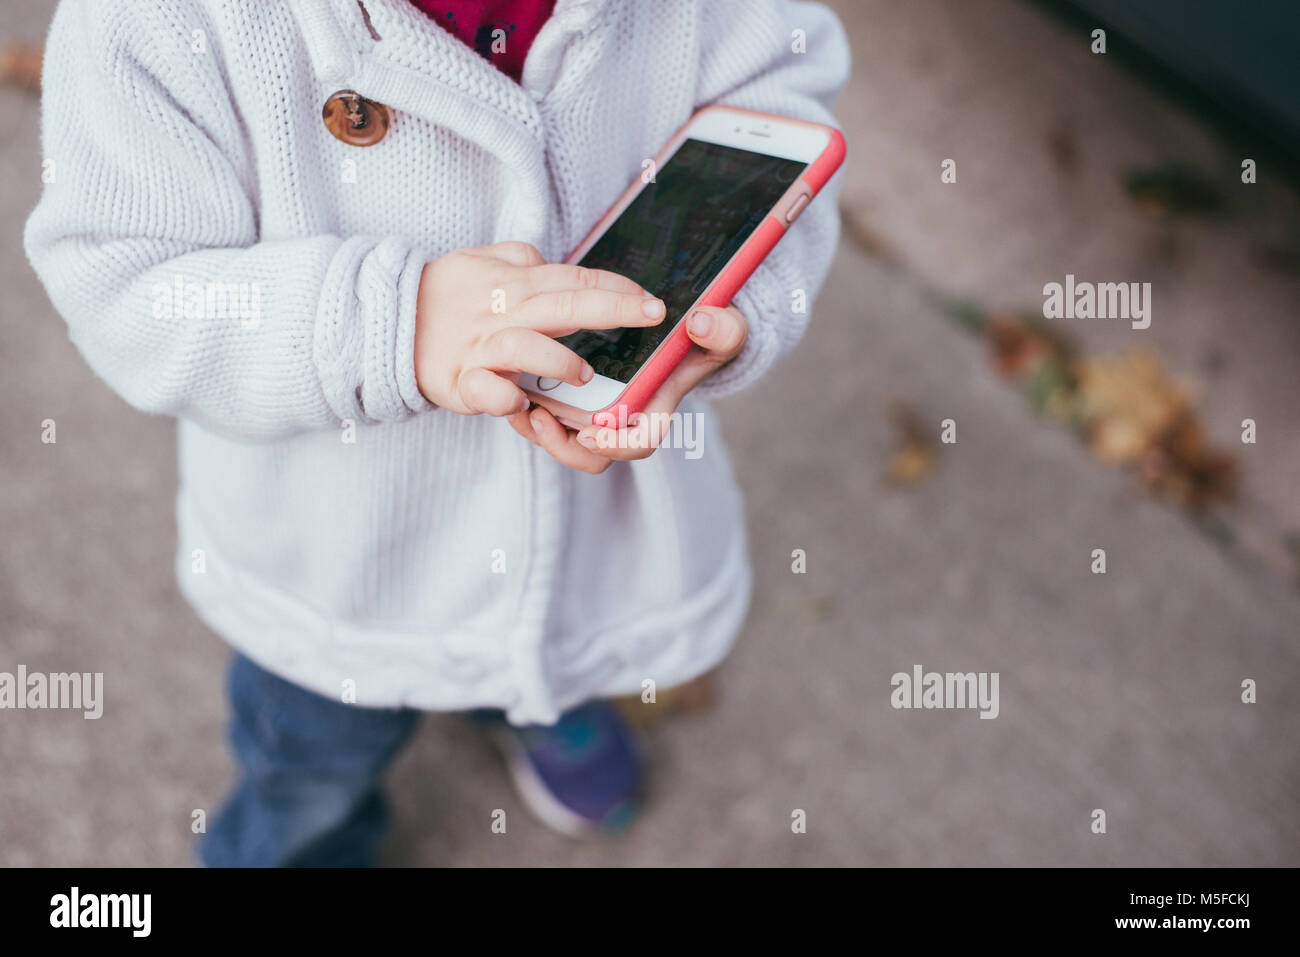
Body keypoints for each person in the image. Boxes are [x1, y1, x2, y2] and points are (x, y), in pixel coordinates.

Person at [25, 0, 848, 865]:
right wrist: (391, 324)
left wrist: (732, 296)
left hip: (579, 536)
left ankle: (525, 693)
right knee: (312, 769)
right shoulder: (165, 22)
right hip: (338, 563)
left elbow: (782, 89)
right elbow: (128, 281)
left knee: (553, 639)